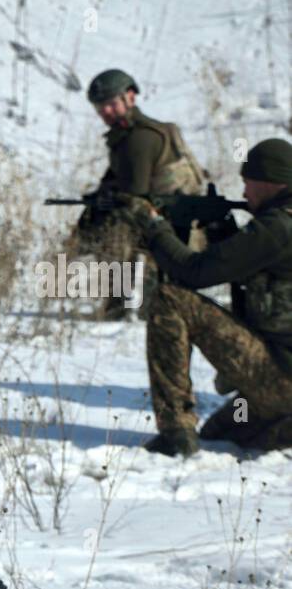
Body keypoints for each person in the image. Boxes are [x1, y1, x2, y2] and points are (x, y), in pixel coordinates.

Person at [118, 138, 292, 457]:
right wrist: (219, 227)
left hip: (280, 379)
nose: (243, 194)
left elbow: (195, 272)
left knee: (171, 299)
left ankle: (175, 432)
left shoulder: (279, 227)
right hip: (281, 377)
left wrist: (155, 227)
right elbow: (248, 268)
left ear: (269, 181)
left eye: (248, 182)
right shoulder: (281, 224)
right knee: (219, 433)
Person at [68, 68, 207, 320]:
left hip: (167, 224)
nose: (105, 113)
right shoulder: (134, 134)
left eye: (110, 104)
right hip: (176, 223)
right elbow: (118, 179)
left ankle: (118, 307)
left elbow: (134, 195)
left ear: (130, 97)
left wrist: (98, 212)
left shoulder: (139, 138)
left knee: (115, 230)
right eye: (100, 108)